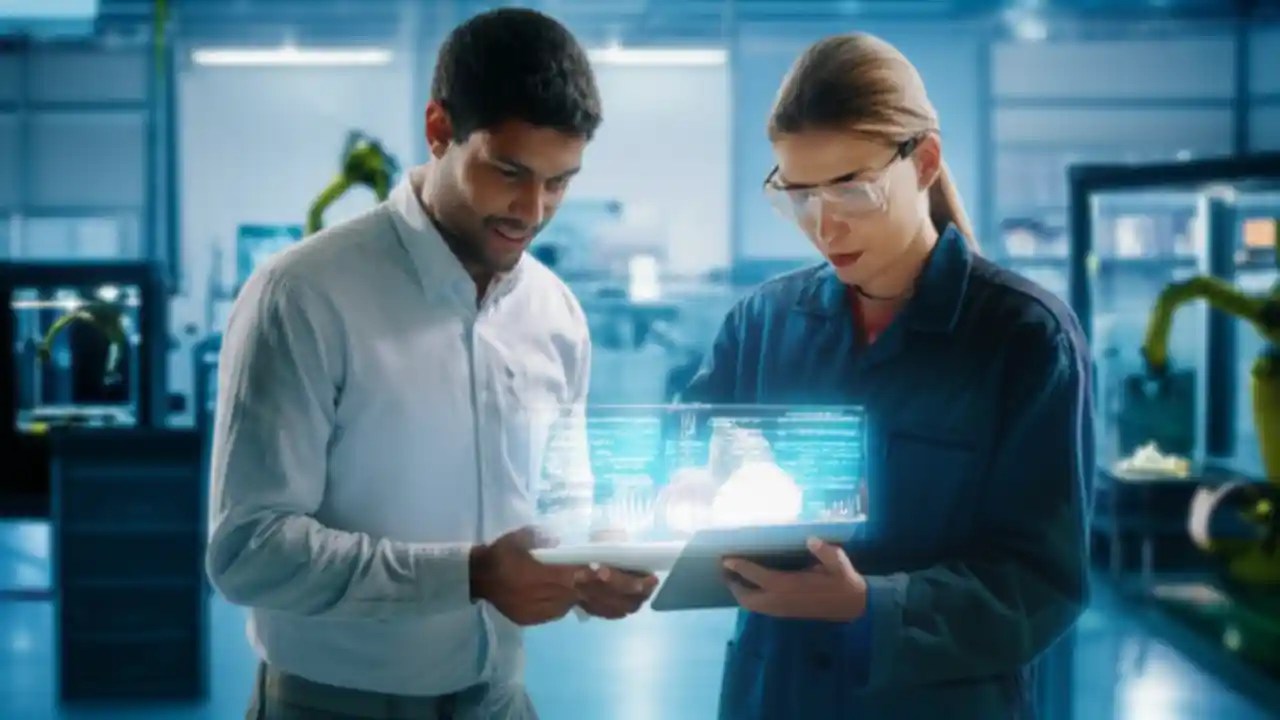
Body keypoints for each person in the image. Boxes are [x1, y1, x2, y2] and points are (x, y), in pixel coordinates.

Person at [206, 9, 657, 720]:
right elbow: (249, 551)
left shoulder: (556, 315)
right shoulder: (304, 295)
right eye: (509, 172)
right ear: (438, 128)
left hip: (500, 701)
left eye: (559, 182)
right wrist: (469, 575)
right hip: (333, 707)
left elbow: (561, 498)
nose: (532, 211)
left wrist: (593, 559)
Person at [682, 33, 1094, 719]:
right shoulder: (762, 324)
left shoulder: (1023, 338)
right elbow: (688, 458)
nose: (824, 226)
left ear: (924, 160)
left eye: (851, 189)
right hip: (777, 693)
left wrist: (868, 605)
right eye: (799, 196)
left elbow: (1040, 582)